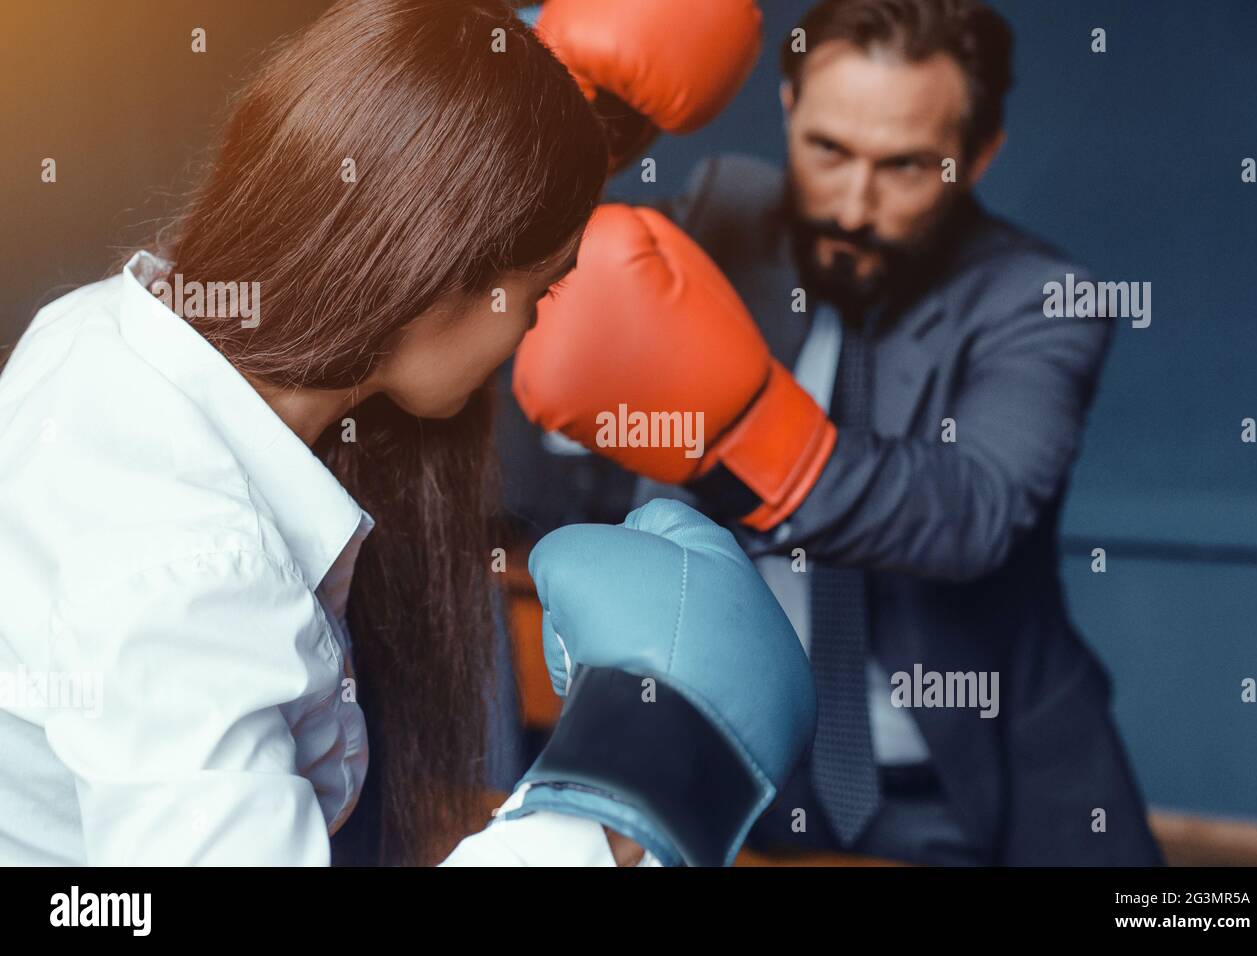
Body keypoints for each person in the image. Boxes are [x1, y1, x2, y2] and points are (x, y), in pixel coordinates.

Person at [0, 0, 814, 867]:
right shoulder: (194, 582)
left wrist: (532, 142)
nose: (528, 334)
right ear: (434, 277)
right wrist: (620, 803)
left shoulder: (101, 330)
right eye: (542, 293)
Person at [505, 0, 1164, 865]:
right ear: (788, 108)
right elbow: (494, 267)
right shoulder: (713, 218)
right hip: (728, 771)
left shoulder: (1035, 297)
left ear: (980, 154)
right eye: (828, 150)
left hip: (968, 788)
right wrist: (573, 127)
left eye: (904, 168)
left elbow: (971, 510)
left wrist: (744, 440)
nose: (853, 205)